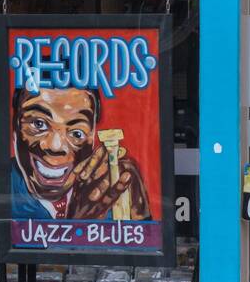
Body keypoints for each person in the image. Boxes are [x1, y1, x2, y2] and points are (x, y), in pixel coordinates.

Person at [10, 85, 152, 222]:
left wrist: (141, 218)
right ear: (15, 127)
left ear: (92, 137)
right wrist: (80, 224)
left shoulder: (109, 195)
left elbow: (139, 241)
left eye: (77, 133)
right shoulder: (3, 191)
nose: (55, 146)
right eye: (38, 123)